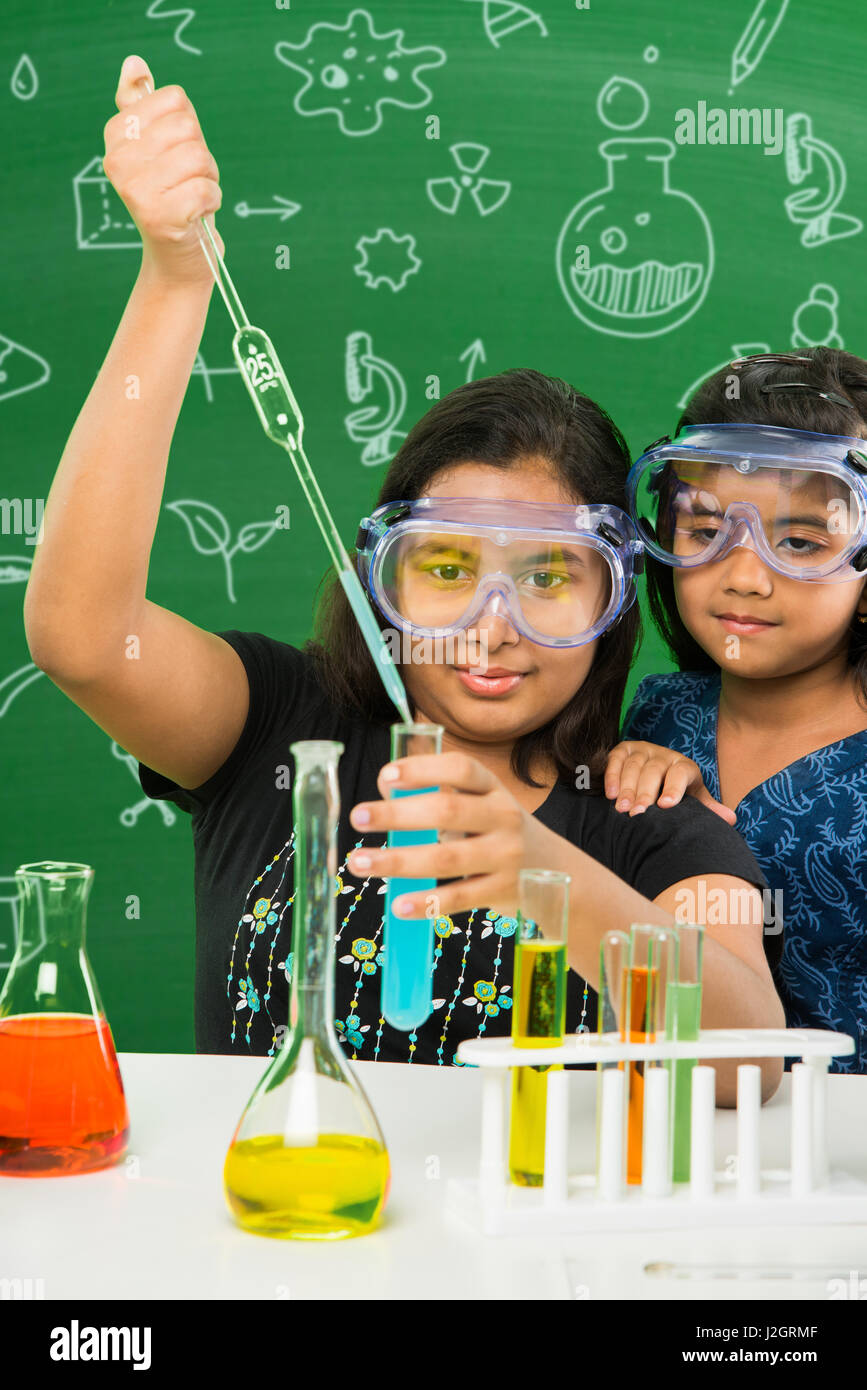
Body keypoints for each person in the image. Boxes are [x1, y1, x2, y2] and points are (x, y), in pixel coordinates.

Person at [22, 56, 784, 1102]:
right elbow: (80, 635)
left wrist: (541, 874)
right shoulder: (276, 727)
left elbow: (752, 1060)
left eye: (551, 576)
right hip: (278, 1248)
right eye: (446, 567)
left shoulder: (645, 818)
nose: (491, 624)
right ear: (383, 578)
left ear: (612, 601)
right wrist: (174, 274)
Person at [607, 349, 867, 1072]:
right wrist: (627, 768)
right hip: (665, 1133)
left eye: (799, 541)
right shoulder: (656, 713)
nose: (745, 576)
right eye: (705, 529)